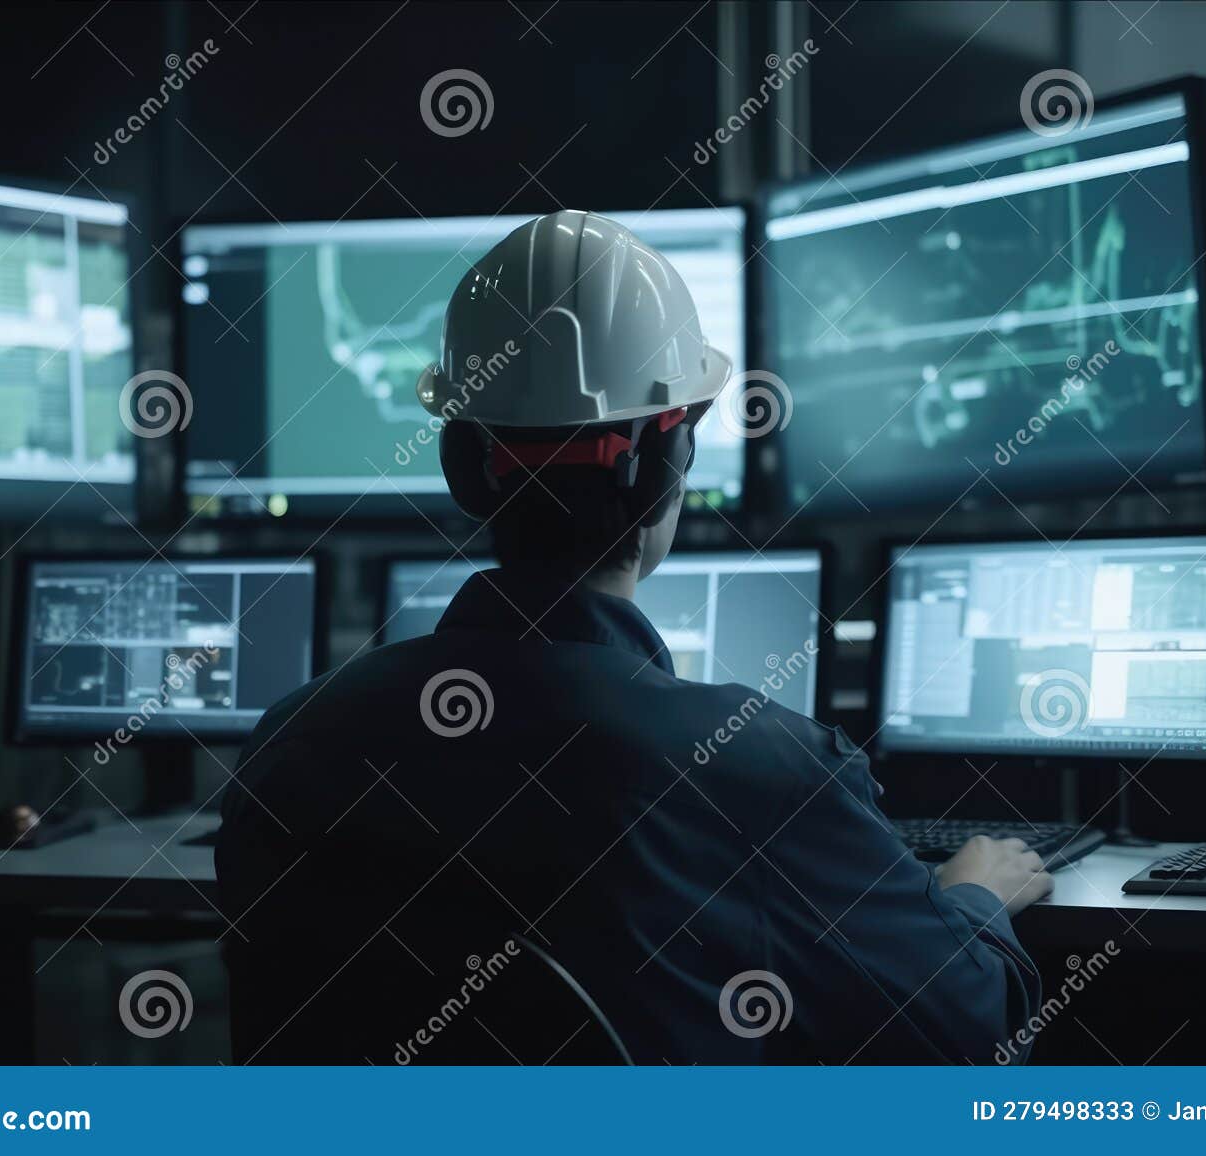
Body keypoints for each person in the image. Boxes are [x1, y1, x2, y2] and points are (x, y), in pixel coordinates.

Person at [216, 210, 1048, 1064]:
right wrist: (971, 901)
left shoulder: (293, 743)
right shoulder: (759, 772)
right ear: (669, 463)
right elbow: (961, 1030)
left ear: (465, 467)